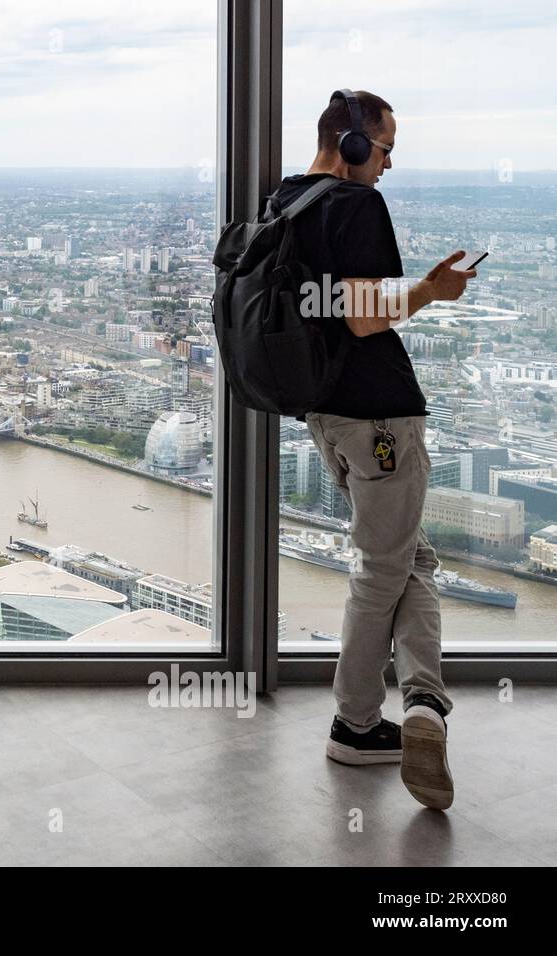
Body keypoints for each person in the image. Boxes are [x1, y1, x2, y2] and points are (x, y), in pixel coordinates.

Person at [280, 90, 475, 810]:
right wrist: (430, 290)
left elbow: (320, 312)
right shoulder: (353, 205)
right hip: (380, 419)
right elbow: (364, 317)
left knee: (406, 559)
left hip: (327, 416)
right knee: (383, 568)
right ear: (355, 142)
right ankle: (358, 723)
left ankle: (422, 705)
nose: (388, 166)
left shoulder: (287, 201)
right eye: (386, 149)